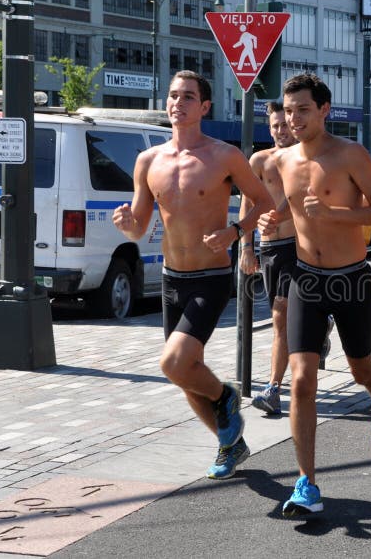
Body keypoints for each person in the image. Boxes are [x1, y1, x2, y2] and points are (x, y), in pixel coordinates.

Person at [112, 70, 275, 480]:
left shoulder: (224, 155)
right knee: (185, 377)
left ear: (204, 106)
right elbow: (138, 226)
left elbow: (264, 200)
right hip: (171, 277)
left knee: (174, 362)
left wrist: (236, 232)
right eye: (172, 96)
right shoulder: (148, 161)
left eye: (187, 96)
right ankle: (229, 445)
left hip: (210, 276)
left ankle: (226, 397)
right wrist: (126, 223)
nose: (177, 103)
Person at [258, 73, 371, 518]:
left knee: (361, 370)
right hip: (306, 279)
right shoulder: (282, 161)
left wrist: (336, 212)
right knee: (302, 380)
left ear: (324, 110)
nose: (293, 117)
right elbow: (292, 203)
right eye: (288, 109)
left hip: (351, 278)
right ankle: (307, 483)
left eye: (302, 109)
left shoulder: (351, 154)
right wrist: (265, 221)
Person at [239, 102, 333, 417]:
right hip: (269, 248)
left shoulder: (305, 160)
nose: (281, 130)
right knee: (282, 316)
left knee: (280, 314)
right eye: (276, 125)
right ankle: (319, 330)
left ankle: (274, 388)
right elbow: (248, 205)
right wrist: (246, 247)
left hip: (299, 246)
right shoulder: (259, 161)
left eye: (285, 124)